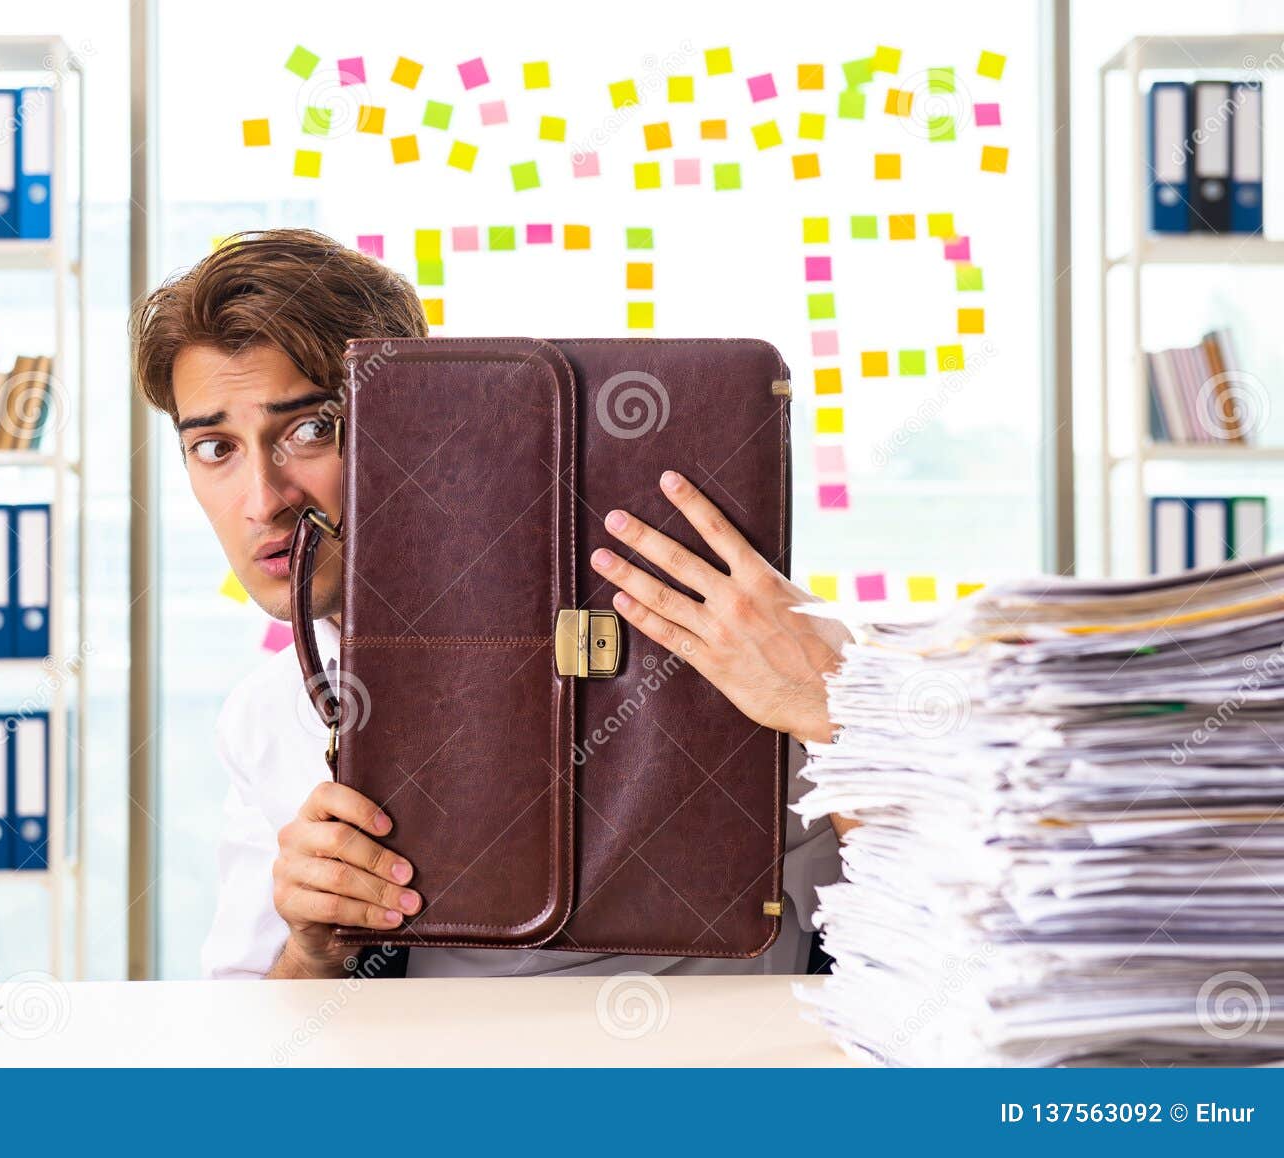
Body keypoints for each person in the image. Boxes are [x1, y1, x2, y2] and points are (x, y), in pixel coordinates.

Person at [129, 228, 853, 980]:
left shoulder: (742, 650)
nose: (263, 501)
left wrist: (840, 717)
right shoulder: (263, 721)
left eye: (313, 430)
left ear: (419, 419)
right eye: (215, 448)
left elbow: (924, 941)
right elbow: (250, 1029)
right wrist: (313, 953)